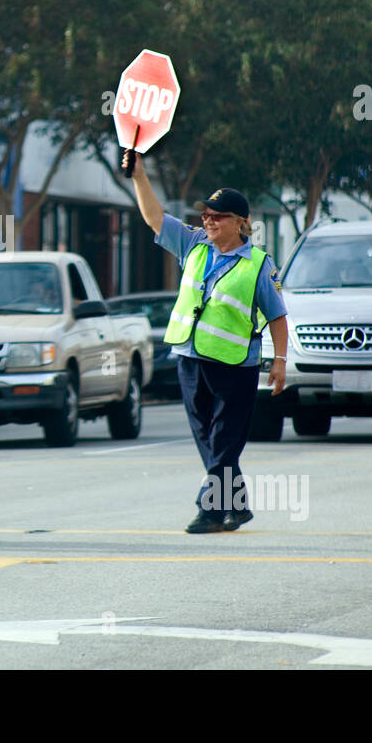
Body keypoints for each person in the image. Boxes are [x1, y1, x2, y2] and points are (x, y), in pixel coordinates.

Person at [128, 152, 289, 534]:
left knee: (224, 437)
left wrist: (279, 360)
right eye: (206, 215)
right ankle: (235, 505)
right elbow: (154, 218)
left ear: (241, 224)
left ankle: (211, 510)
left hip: (235, 364)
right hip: (188, 356)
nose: (209, 221)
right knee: (206, 434)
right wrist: (138, 177)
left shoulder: (258, 265)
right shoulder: (194, 245)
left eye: (218, 216)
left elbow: (278, 317)